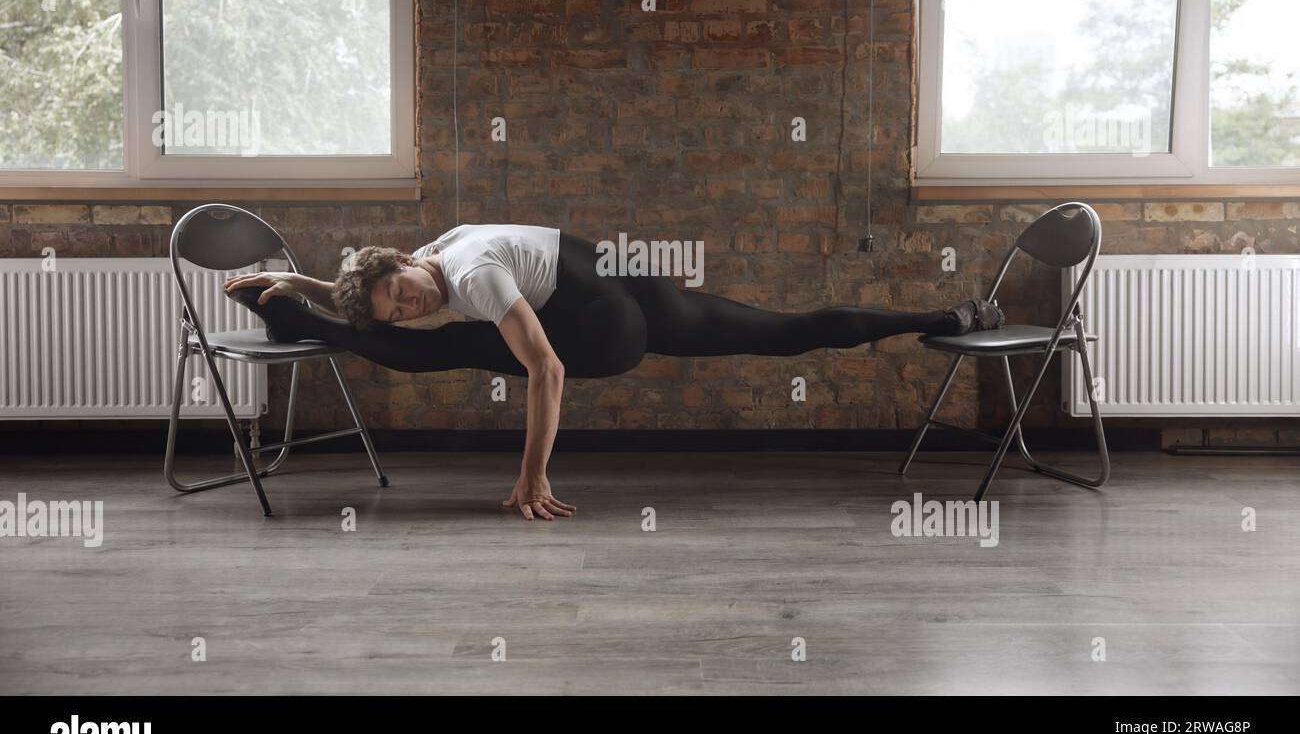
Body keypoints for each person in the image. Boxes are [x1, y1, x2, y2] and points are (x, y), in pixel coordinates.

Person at [223, 224, 1004, 522]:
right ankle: (944, 319)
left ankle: (291, 327)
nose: (410, 304)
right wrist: (312, 286)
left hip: (601, 333)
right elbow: (370, 293)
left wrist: (532, 478)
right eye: (395, 308)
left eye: (400, 294)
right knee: (782, 331)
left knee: (440, 349)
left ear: (402, 261)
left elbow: (548, 369)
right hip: (632, 284)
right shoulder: (437, 246)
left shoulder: (471, 278)